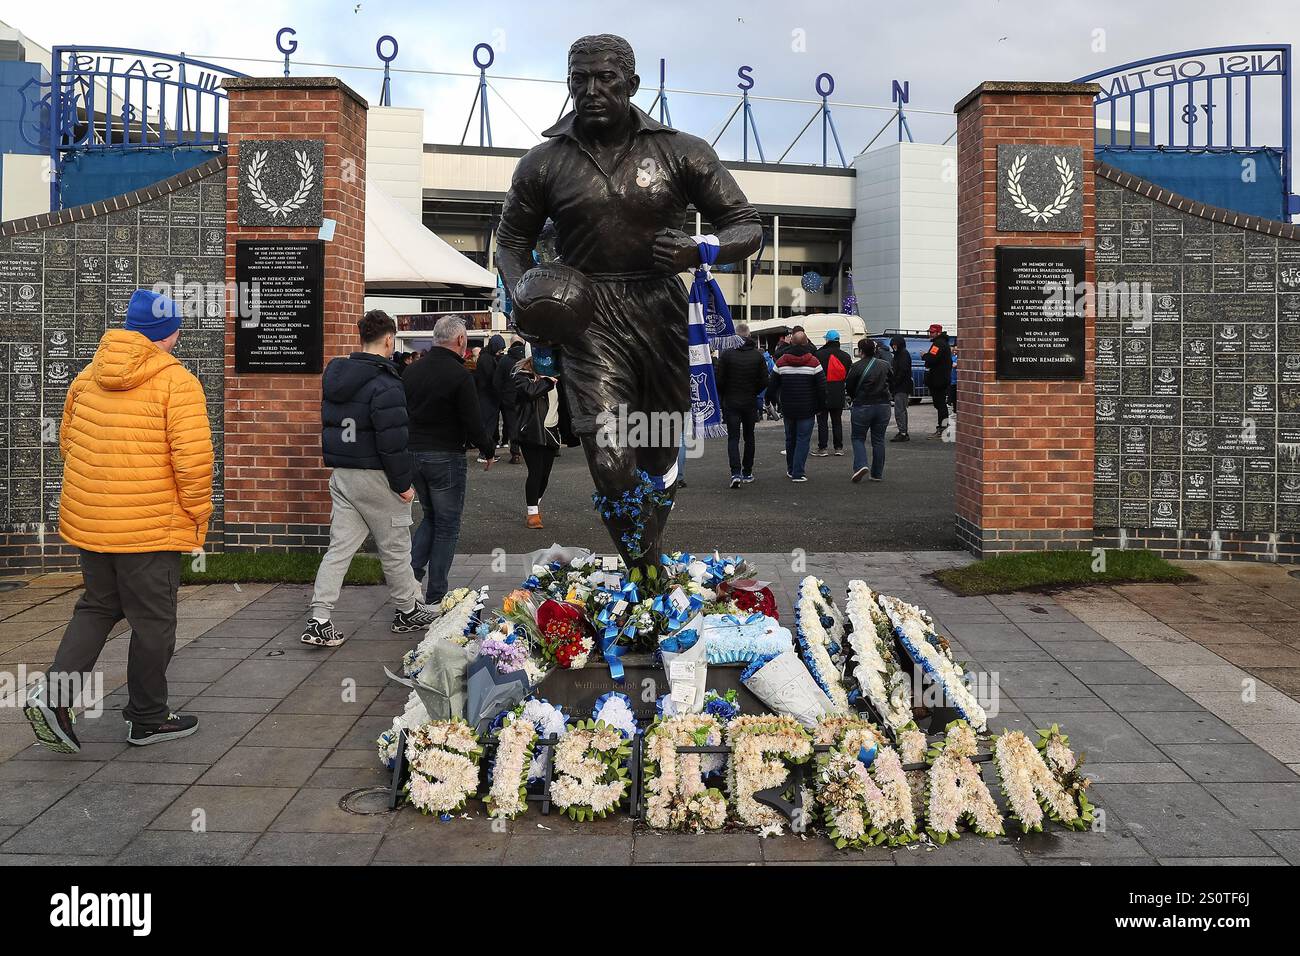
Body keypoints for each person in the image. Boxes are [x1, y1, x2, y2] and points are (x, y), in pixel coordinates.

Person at [495, 33, 762, 569]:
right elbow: (510, 242)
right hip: (587, 316)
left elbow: (746, 226)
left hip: (661, 310)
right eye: (579, 80)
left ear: (632, 84)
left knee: (658, 451)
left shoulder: (682, 151)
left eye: (604, 78)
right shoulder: (542, 163)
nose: (590, 90)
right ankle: (647, 582)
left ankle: (647, 570)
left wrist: (700, 247)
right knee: (610, 453)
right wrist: (527, 296)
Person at [25, 288, 212, 752]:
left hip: (92, 522)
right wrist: (197, 515)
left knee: (97, 607)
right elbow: (192, 463)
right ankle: (147, 717)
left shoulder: (88, 375)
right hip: (149, 529)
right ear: (171, 333)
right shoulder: (177, 382)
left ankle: (55, 695)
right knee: (154, 622)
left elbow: (69, 442)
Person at [301, 311, 440, 648]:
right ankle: (407, 611)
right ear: (389, 340)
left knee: (339, 549)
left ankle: (319, 619)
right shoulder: (386, 382)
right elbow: (391, 441)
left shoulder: (336, 374)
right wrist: (403, 484)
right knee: (395, 548)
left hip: (343, 474)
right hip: (377, 476)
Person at [403, 315, 497, 603]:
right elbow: (473, 420)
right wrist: (488, 449)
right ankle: (435, 595)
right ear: (460, 340)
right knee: (447, 525)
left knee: (430, 517)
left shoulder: (411, 371)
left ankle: (409, 583)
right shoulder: (460, 375)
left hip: (413, 453)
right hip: (445, 455)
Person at [512, 352, 562, 528]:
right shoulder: (522, 377)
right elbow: (530, 393)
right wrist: (547, 381)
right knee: (535, 472)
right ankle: (532, 513)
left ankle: (535, 503)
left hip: (552, 430)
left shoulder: (556, 377)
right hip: (532, 431)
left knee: (545, 475)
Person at [716, 321, 767, 487]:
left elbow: (719, 380)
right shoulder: (757, 355)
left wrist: (724, 395)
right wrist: (753, 391)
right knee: (749, 437)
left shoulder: (727, 355)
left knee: (733, 438)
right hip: (750, 401)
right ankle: (747, 471)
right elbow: (764, 380)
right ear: (749, 335)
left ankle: (735, 473)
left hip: (731, 401)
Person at [770, 330, 825, 482]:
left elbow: (772, 384)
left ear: (791, 342)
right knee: (803, 439)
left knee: (790, 438)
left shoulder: (781, 361)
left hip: (787, 406)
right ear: (806, 343)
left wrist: (772, 401)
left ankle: (790, 468)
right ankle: (798, 472)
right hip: (808, 407)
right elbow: (821, 387)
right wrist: (820, 406)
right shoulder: (814, 362)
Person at [845, 338, 893, 483]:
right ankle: (877, 473)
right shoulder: (885, 365)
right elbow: (892, 380)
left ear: (860, 351)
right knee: (878, 440)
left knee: (858, 438)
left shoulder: (856, 366)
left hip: (862, 405)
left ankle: (861, 465)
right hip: (883, 405)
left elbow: (850, 386)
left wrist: (855, 397)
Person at [813, 329, 849, 457]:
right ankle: (838, 447)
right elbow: (847, 376)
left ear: (827, 340)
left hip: (822, 392)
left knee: (822, 421)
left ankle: (823, 448)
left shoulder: (818, 355)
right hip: (838, 392)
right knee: (837, 421)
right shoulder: (846, 356)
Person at [475, 333, 508, 458]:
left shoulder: (485, 357)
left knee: (489, 425)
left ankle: (488, 452)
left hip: (487, 396)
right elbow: (492, 378)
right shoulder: (487, 359)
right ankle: (485, 453)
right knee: (488, 425)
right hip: (488, 396)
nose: (501, 351)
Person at [500, 337, 528, 464]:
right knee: (527, 423)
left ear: (510, 345)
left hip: (509, 398)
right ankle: (529, 449)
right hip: (526, 395)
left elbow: (497, 381)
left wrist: (501, 394)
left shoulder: (504, 360)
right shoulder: (528, 358)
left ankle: (516, 452)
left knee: (512, 425)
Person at [924, 323, 953, 438]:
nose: (930, 334)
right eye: (929, 332)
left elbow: (931, 358)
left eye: (932, 332)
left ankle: (943, 428)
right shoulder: (944, 343)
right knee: (940, 404)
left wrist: (924, 355)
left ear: (938, 333)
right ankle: (943, 427)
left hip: (938, 380)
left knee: (940, 404)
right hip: (941, 378)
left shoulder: (938, 344)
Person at [889, 334, 913, 442]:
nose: (893, 347)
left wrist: (894, 381)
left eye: (894, 345)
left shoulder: (902, 355)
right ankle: (902, 431)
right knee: (900, 410)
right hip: (901, 386)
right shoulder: (901, 354)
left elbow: (902, 371)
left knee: (900, 410)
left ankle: (903, 432)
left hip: (901, 386)